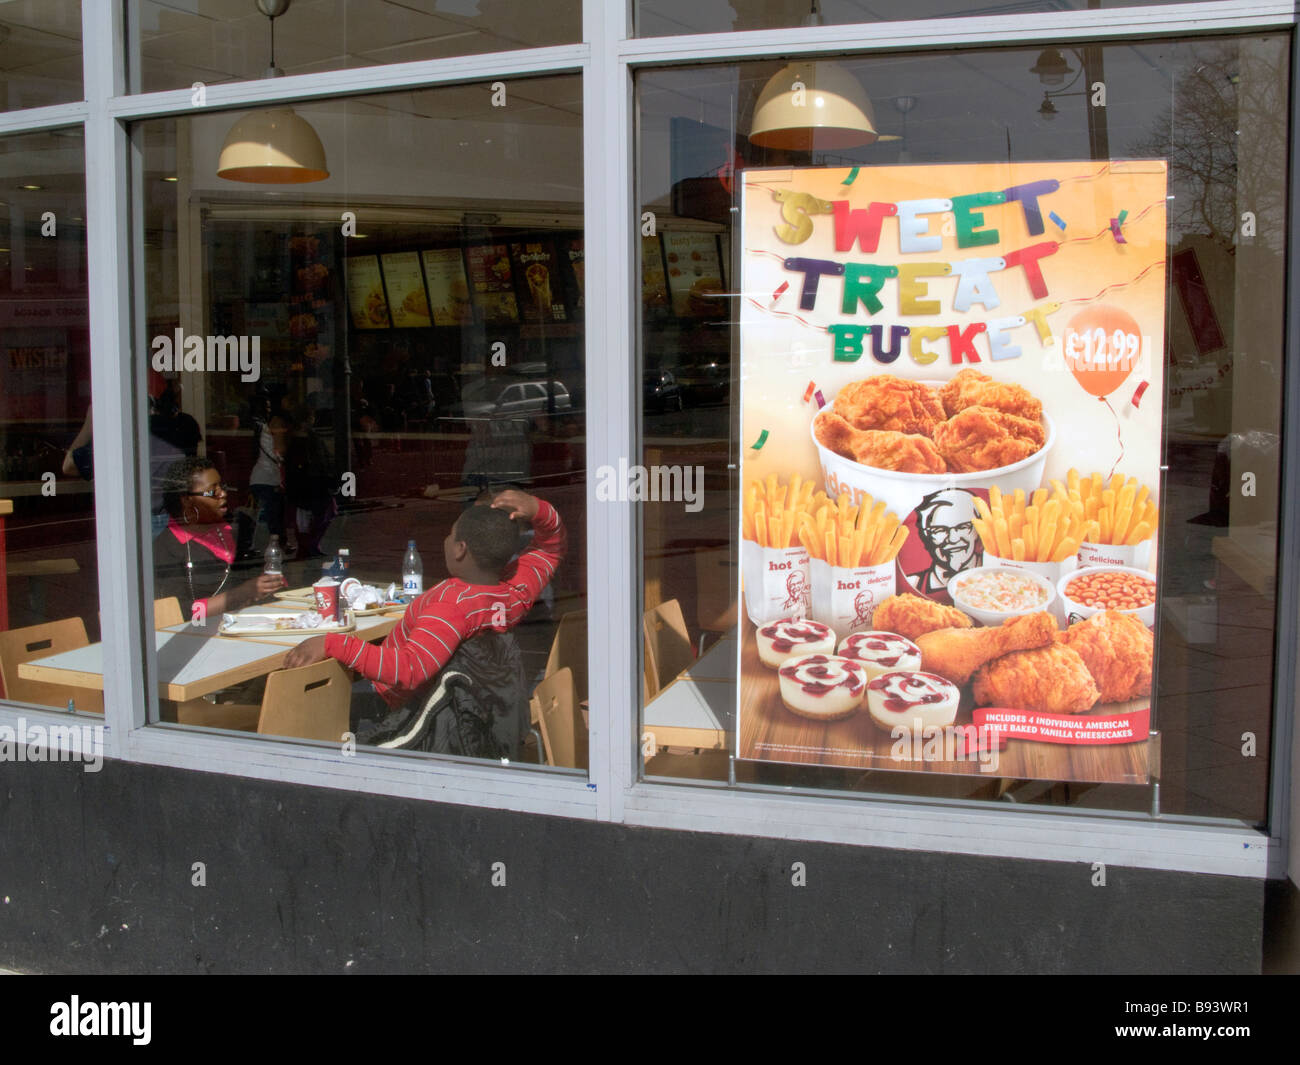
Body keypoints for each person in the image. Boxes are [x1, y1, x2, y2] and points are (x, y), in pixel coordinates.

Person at [284, 489, 566, 735]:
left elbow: (409, 670)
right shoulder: (515, 593)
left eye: (450, 533)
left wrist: (332, 642)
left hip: (401, 709)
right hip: (469, 710)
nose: (446, 538)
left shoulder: (451, 607)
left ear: (460, 549)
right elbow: (551, 546)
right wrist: (539, 509)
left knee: (302, 703)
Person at [153, 456, 285, 621]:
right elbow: (179, 614)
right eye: (212, 491)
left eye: (222, 486)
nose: (222, 494)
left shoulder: (236, 530)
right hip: (199, 638)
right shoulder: (167, 548)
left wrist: (266, 585)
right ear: (186, 500)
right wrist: (241, 594)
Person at [911, 488, 983, 596]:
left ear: (977, 531)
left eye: (963, 527)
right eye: (939, 530)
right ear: (927, 535)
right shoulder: (913, 582)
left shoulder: (1004, 577)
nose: (953, 539)